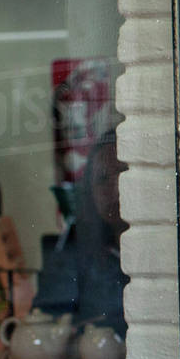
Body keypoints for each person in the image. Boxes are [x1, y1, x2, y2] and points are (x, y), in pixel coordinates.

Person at [32, 130, 129, 336]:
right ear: (89, 191)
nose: (114, 189)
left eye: (122, 173)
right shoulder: (75, 245)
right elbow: (46, 321)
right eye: (102, 179)